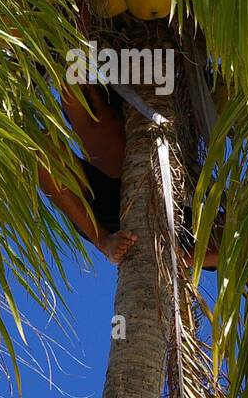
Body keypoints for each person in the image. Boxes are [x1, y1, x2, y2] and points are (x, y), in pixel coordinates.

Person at [37, 81, 220, 268]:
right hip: (107, 204)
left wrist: (180, 259)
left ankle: (173, 257)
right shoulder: (97, 107)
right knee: (40, 142)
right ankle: (103, 241)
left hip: (172, 208)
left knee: (231, 234)